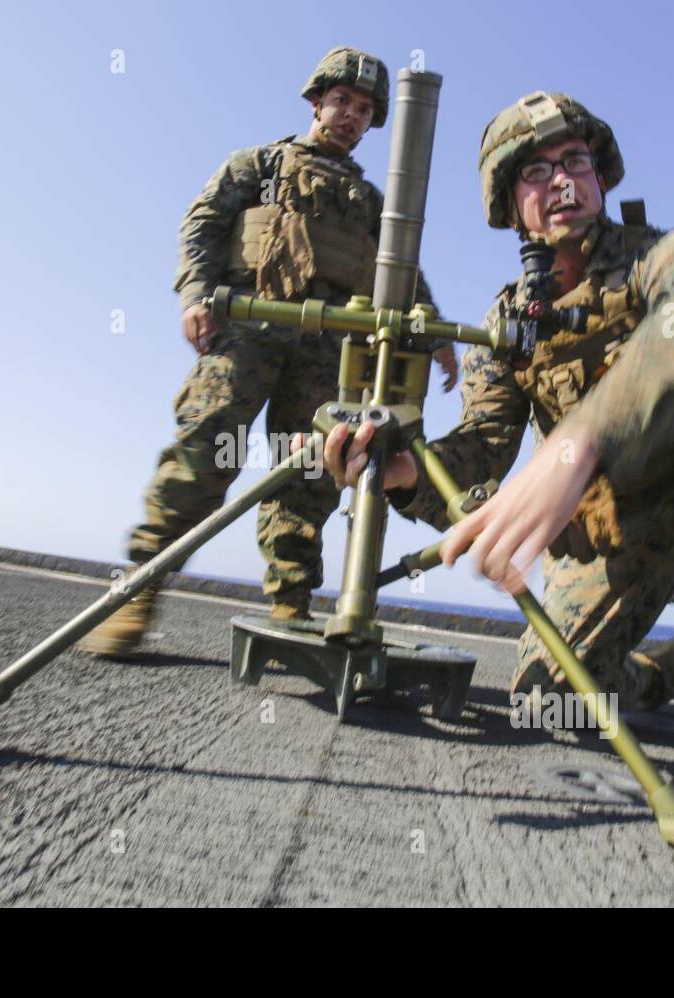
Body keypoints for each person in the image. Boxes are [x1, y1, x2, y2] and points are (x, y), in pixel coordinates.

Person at [320, 91, 674, 855]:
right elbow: (481, 450)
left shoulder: (665, 256)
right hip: (615, 534)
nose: (562, 181)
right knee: (549, 703)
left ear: (599, 176)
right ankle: (653, 675)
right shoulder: (510, 325)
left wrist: (576, 443)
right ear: (508, 202)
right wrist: (396, 471)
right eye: (536, 171)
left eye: (576, 162)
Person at [81, 47, 453, 657]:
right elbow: (201, 224)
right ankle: (139, 590)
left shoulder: (371, 203)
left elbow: (404, 274)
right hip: (249, 331)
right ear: (316, 102)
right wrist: (197, 294)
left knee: (309, 473)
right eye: (342, 102)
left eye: (364, 110)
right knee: (204, 452)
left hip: (329, 350)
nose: (352, 117)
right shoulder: (257, 165)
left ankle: (291, 604)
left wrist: (433, 336)